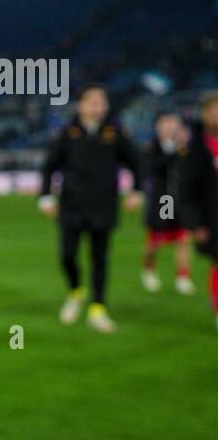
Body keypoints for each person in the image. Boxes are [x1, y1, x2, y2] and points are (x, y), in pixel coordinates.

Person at [39, 84, 142, 333]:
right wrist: (46, 197)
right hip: (71, 206)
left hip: (103, 206)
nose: (97, 106)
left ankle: (98, 308)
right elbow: (49, 166)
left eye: (101, 101)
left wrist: (136, 190)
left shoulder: (115, 132)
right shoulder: (68, 132)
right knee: (67, 255)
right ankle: (76, 291)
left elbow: (137, 162)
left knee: (100, 259)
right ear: (81, 105)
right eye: (92, 101)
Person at [140, 111, 195, 294]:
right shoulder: (152, 148)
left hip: (182, 199)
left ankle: (183, 276)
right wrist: (173, 149)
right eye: (166, 123)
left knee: (184, 238)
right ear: (158, 127)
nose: (171, 127)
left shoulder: (187, 147)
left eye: (174, 123)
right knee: (156, 240)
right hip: (163, 201)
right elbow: (153, 168)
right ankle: (149, 269)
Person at [180, 90, 218, 330]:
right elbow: (186, 190)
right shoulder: (195, 148)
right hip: (211, 217)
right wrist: (195, 224)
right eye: (213, 110)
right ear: (205, 114)